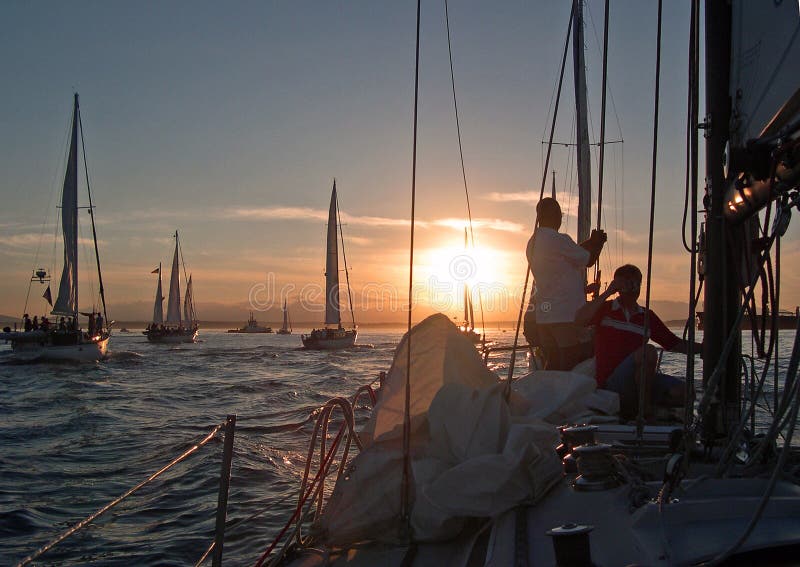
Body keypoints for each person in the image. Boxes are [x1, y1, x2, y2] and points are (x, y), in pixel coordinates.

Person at [574, 264, 702, 420]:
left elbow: (674, 344)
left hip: (640, 381)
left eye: (636, 283)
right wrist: (608, 292)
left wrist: (706, 348)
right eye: (627, 283)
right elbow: (580, 320)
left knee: (686, 393)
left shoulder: (647, 317)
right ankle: (645, 411)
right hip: (612, 382)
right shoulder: (605, 309)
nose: (632, 287)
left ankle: (645, 408)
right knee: (648, 351)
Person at [525, 197, 607, 370]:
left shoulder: (533, 242)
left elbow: (568, 256)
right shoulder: (559, 240)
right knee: (570, 357)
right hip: (564, 315)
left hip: (545, 315)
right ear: (555, 215)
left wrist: (590, 243)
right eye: (559, 214)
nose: (561, 218)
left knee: (553, 360)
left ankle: (550, 394)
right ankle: (566, 395)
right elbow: (588, 259)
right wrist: (597, 243)